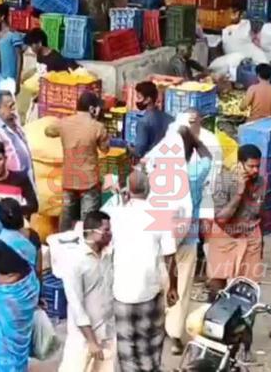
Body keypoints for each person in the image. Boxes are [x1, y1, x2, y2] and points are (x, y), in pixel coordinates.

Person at [144, 118, 212, 355]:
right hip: (188, 237)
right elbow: (207, 157)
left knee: (161, 282)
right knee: (181, 288)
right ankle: (174, 335)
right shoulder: (194, 174)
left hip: (159, 237)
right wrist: (193, 139)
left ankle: (156, 328)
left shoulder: (156, 172)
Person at [106, 168, 178, 372]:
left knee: (127, 351)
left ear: (128, 190)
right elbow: (170, 256)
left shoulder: (115, 214)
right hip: (150, 292)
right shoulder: (160, 215)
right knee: (152, 346)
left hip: (122, 294)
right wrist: (173, 287)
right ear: (149, 189)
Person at [0, 198, 42, 372]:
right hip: (27, 296)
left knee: (4, 344)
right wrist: (38, 297)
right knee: (20, 344)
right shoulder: (32, 236)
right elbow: (38, 268)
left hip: (7, 301)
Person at [59, 211, 116, 372]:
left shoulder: (107, 255)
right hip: (82, 339)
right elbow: (76, 304)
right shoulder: (75, 260)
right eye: (106, 231)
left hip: (107, 334)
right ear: (91, 232)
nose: (109, 235)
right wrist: (91, 340)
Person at [46, 91, 111, 231]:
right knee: (88, 222)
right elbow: (105, 149)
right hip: (89, 182)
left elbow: (48, 131)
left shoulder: (64, 123)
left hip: (69, 180)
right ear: (92, 109)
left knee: (67, 220)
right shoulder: (97, 127)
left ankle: (62, 244)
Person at [208, 145, 265, 297]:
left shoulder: (260, 182)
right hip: (225, 234)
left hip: (250, 235)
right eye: (251, 166)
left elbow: (258, 214)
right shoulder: (223, 181)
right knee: (217, 283)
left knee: (249, 286)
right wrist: (239, 192)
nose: (255, 170)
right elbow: (221, 219)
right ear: (239, 164)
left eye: (258, 166)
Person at [0, 91, 36, 190]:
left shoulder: (14, 121)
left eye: (13, 105)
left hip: (25, 177)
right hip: (10, 182)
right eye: (9, 106)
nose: (13, 109)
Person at [132, 81, 173, 159]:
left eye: (139, 98)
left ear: (148, 99)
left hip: (151, 163)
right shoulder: (169, 118)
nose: (137, 101)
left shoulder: (143, 122)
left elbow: (139, 151)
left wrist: (127, 148)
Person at [0, 5, 25, 84]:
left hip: (10, 76)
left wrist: (17, 79)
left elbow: (19, 56)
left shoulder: (13, 34)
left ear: (2, 17)